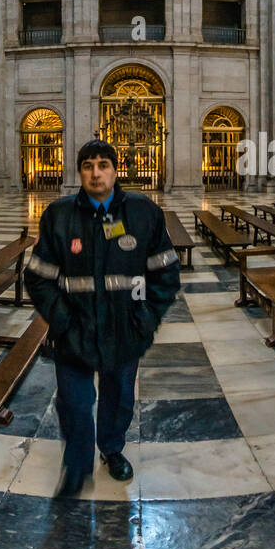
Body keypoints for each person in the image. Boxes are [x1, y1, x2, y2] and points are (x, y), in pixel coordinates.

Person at [21, 139, 182, 499]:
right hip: (74, 331)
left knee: (119, 396)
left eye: (103, 165)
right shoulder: (59, 215)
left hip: (125, 329)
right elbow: (38, 276)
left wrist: (146, 320)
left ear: (115, 170)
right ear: (79, 172)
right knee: (74, 403)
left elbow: (165, 274)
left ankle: (111, 449)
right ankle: (77, 468)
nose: (96, 173)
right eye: (88, 165)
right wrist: (61, 321)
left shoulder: (143, 213)